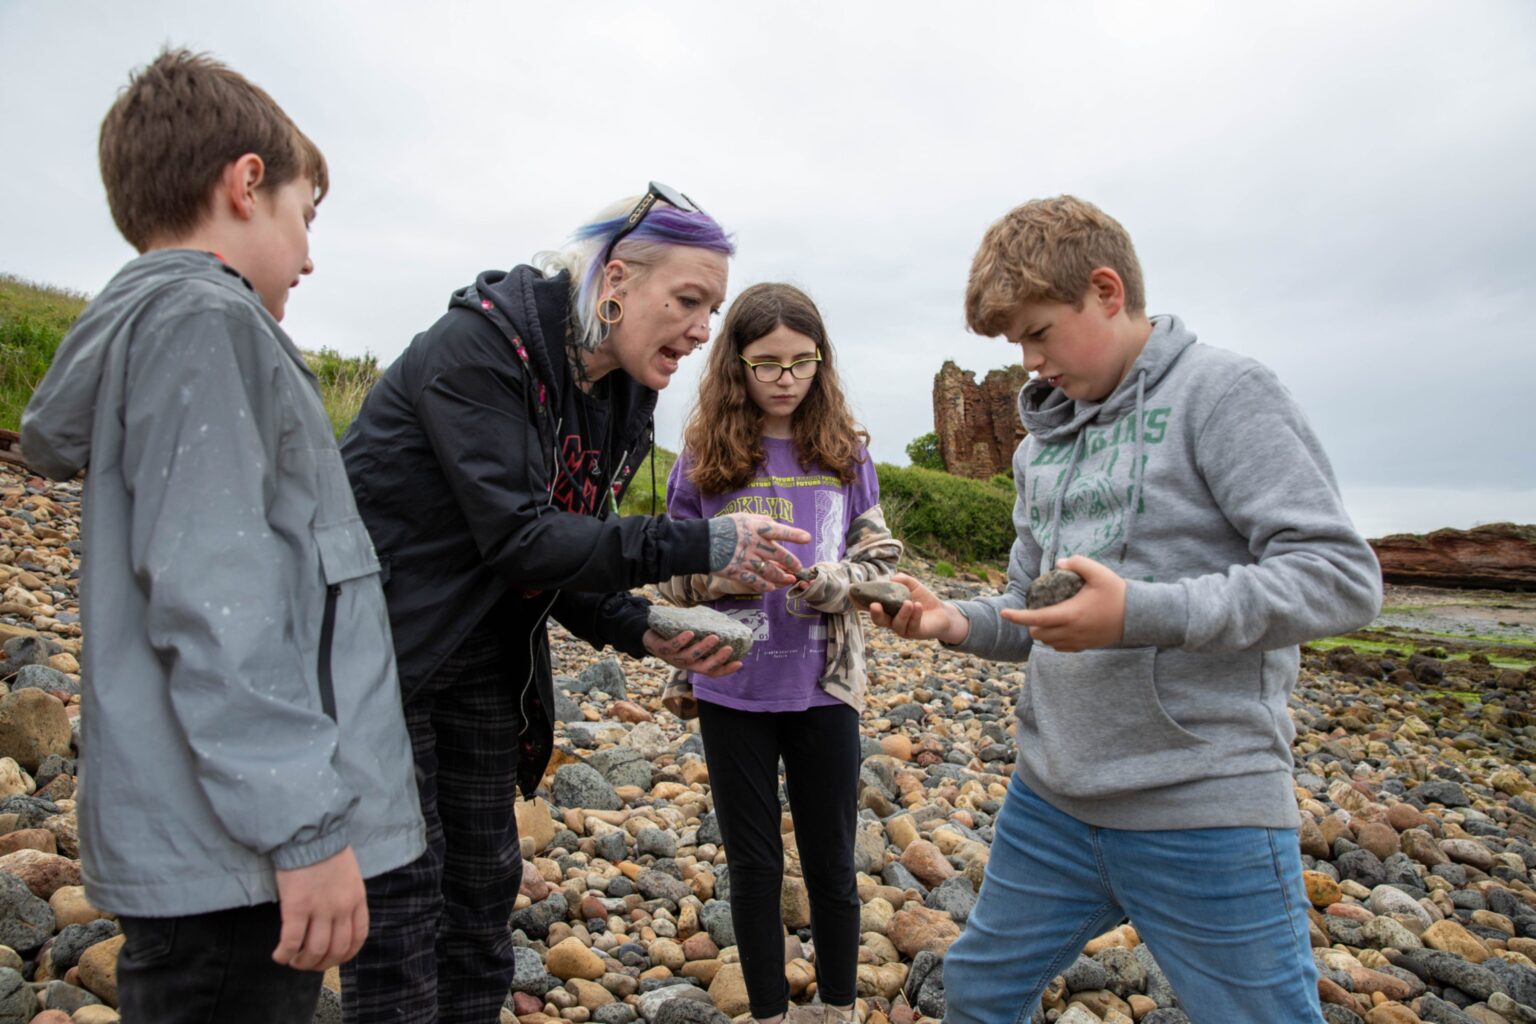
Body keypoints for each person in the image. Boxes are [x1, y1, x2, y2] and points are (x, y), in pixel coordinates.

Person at [870, 196, 1382, 1023]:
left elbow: (1339, 577)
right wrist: (951, 621)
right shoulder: (1040, 448)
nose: (1031, 361)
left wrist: (1138, 612)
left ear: (1106, 291)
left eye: (1039, 333)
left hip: (1203, 805)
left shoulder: (1225, 393)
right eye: (1017, 345)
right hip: (1053, 800)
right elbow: (1032, 609)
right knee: (977, 990)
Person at [338, 185, 811, 1023]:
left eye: (712, 308)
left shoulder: (624, 390)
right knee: (403, 895)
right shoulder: (476, 350)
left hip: (488, 655)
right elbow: (521, 538)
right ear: (616, 280)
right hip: (382, 651)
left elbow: (572, 546)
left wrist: (644, 628)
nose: (704, 330)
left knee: (485, 887)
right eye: (690, 301)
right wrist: (703, 544)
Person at [19, 49, 425, 1023]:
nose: (311, 256)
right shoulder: (206, 327)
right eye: (305, 217)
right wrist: (307, 831)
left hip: (218, 851)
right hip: (236, 864)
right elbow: (219, 602)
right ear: (247, 185)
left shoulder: (165, 327)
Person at [659, 283, 902, 1024]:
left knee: (833, 865)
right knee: (754, 866)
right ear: (736, 364)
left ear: (821, 363)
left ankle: (835, 1011)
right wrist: (720, 573)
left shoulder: (846, 451)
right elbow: (667, 572)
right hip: (731, 686)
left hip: (825, 688)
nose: (786, 379)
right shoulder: (702, 456)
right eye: (766, 364)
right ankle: (767, 1013)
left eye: (801, 362)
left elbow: (883, 558)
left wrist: (842, 581)